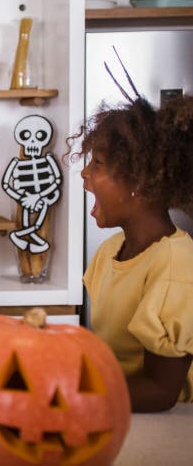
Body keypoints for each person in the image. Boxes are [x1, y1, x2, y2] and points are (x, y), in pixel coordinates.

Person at [73, 94, 193, 412]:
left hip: (166, 432)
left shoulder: (173, 264)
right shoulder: (111, 251)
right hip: (120, 415)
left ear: (136, 180)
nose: (85, 173)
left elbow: (160, 391)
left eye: (97, 163)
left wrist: (72, 399)